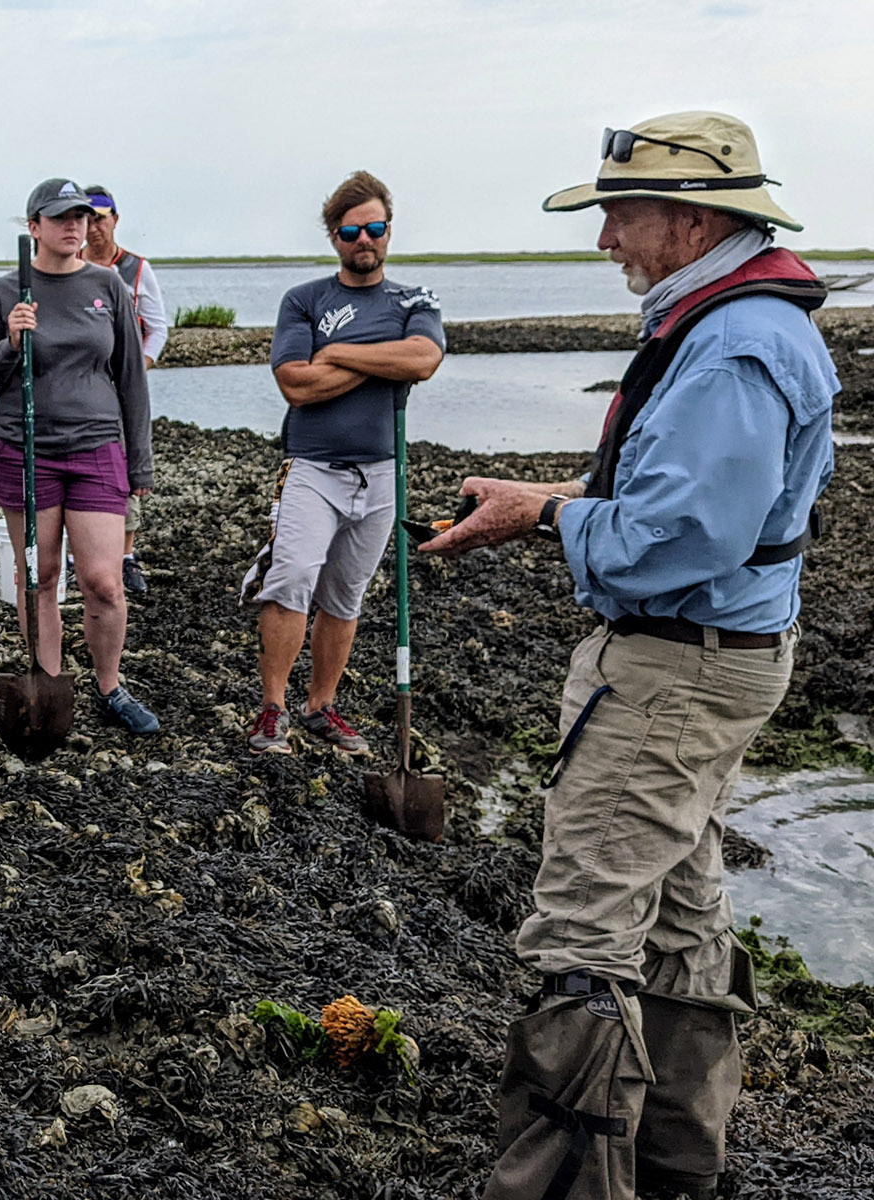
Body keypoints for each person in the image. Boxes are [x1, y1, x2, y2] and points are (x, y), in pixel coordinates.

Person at [423, 113, 835, 1200]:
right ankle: (675, 1171)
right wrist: (547, 500)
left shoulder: (737, 347)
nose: (605, 238)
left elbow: (680, 541)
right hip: (716, 659)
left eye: (619, 213)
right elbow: (684, 504)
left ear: (693, 220)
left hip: (674, 671)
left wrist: (546, 517)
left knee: (584, 934)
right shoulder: (738, 323)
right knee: (683, 918)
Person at [246, 170, 444, 757]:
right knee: (290, 580)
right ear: (335, 236)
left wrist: (338, 353)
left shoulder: (415, 300)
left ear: (389, 232)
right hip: (312, 466)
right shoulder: (304, 300)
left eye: (376, 228)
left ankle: (321, 706)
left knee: (346, 593)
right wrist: (383, 361)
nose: (366, 240)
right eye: (353, 230)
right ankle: (272, 709)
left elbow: (425, 358)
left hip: (383, 472)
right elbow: (296, 385)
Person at [0, 178, 159, 735]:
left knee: (103, 580)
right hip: (25, 451)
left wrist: (139, 461)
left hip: (98, 447)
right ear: (35, 228)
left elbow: (130, 380)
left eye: (81, 216)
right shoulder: (7, 292)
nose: (75, 226)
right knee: (40, 575)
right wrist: (9, 346)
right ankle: (46, 682)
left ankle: (109, 686)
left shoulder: (109, 285)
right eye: (60, 217)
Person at [81, 184, 168, 595]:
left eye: (102, 216)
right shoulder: (68, 265)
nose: (95, 226)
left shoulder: (135, 269)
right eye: (88, 217)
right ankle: (75, 554)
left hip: (122, 389)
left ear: (115, 218)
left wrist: (140, 366)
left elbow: (158, 326)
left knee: (130, 464)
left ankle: (127, 556)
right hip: (78, 387)